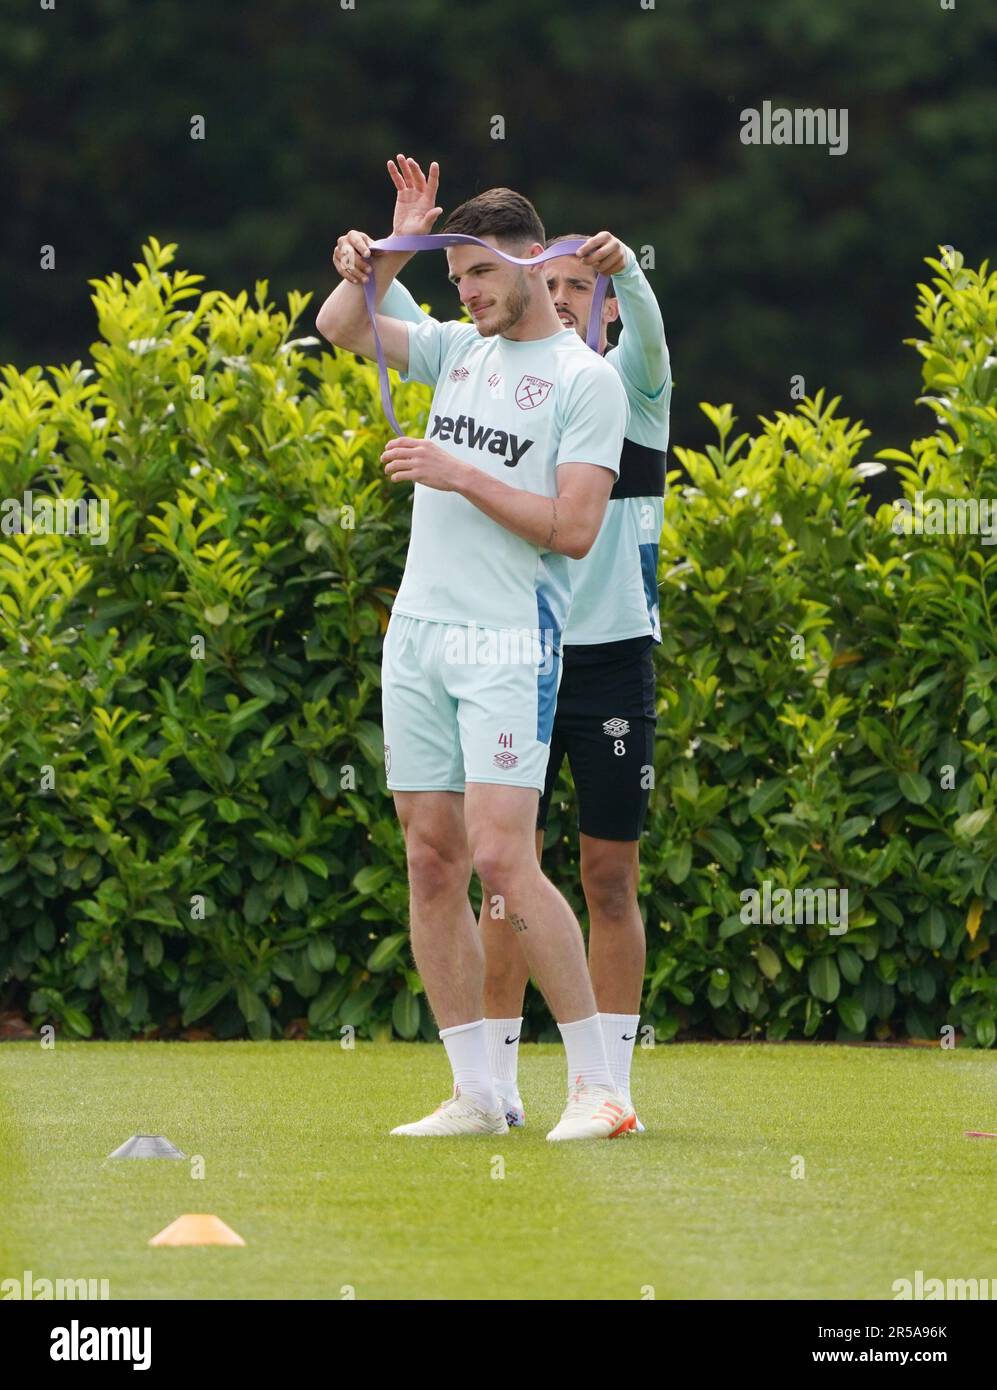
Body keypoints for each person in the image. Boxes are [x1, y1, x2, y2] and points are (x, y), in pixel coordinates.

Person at [318, 155, 634, 1140]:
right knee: (429, 859)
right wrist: (378, 251)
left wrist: (455, 473)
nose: (467, 297)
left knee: (503, 857)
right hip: (417, 634)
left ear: (533, 261)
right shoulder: (456, 347)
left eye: (480, 278)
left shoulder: (587, 382)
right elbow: (340, 327)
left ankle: (599, 1088)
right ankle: (478, 1093)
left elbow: (573, 528)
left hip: (508, 639)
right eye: (454, 280)